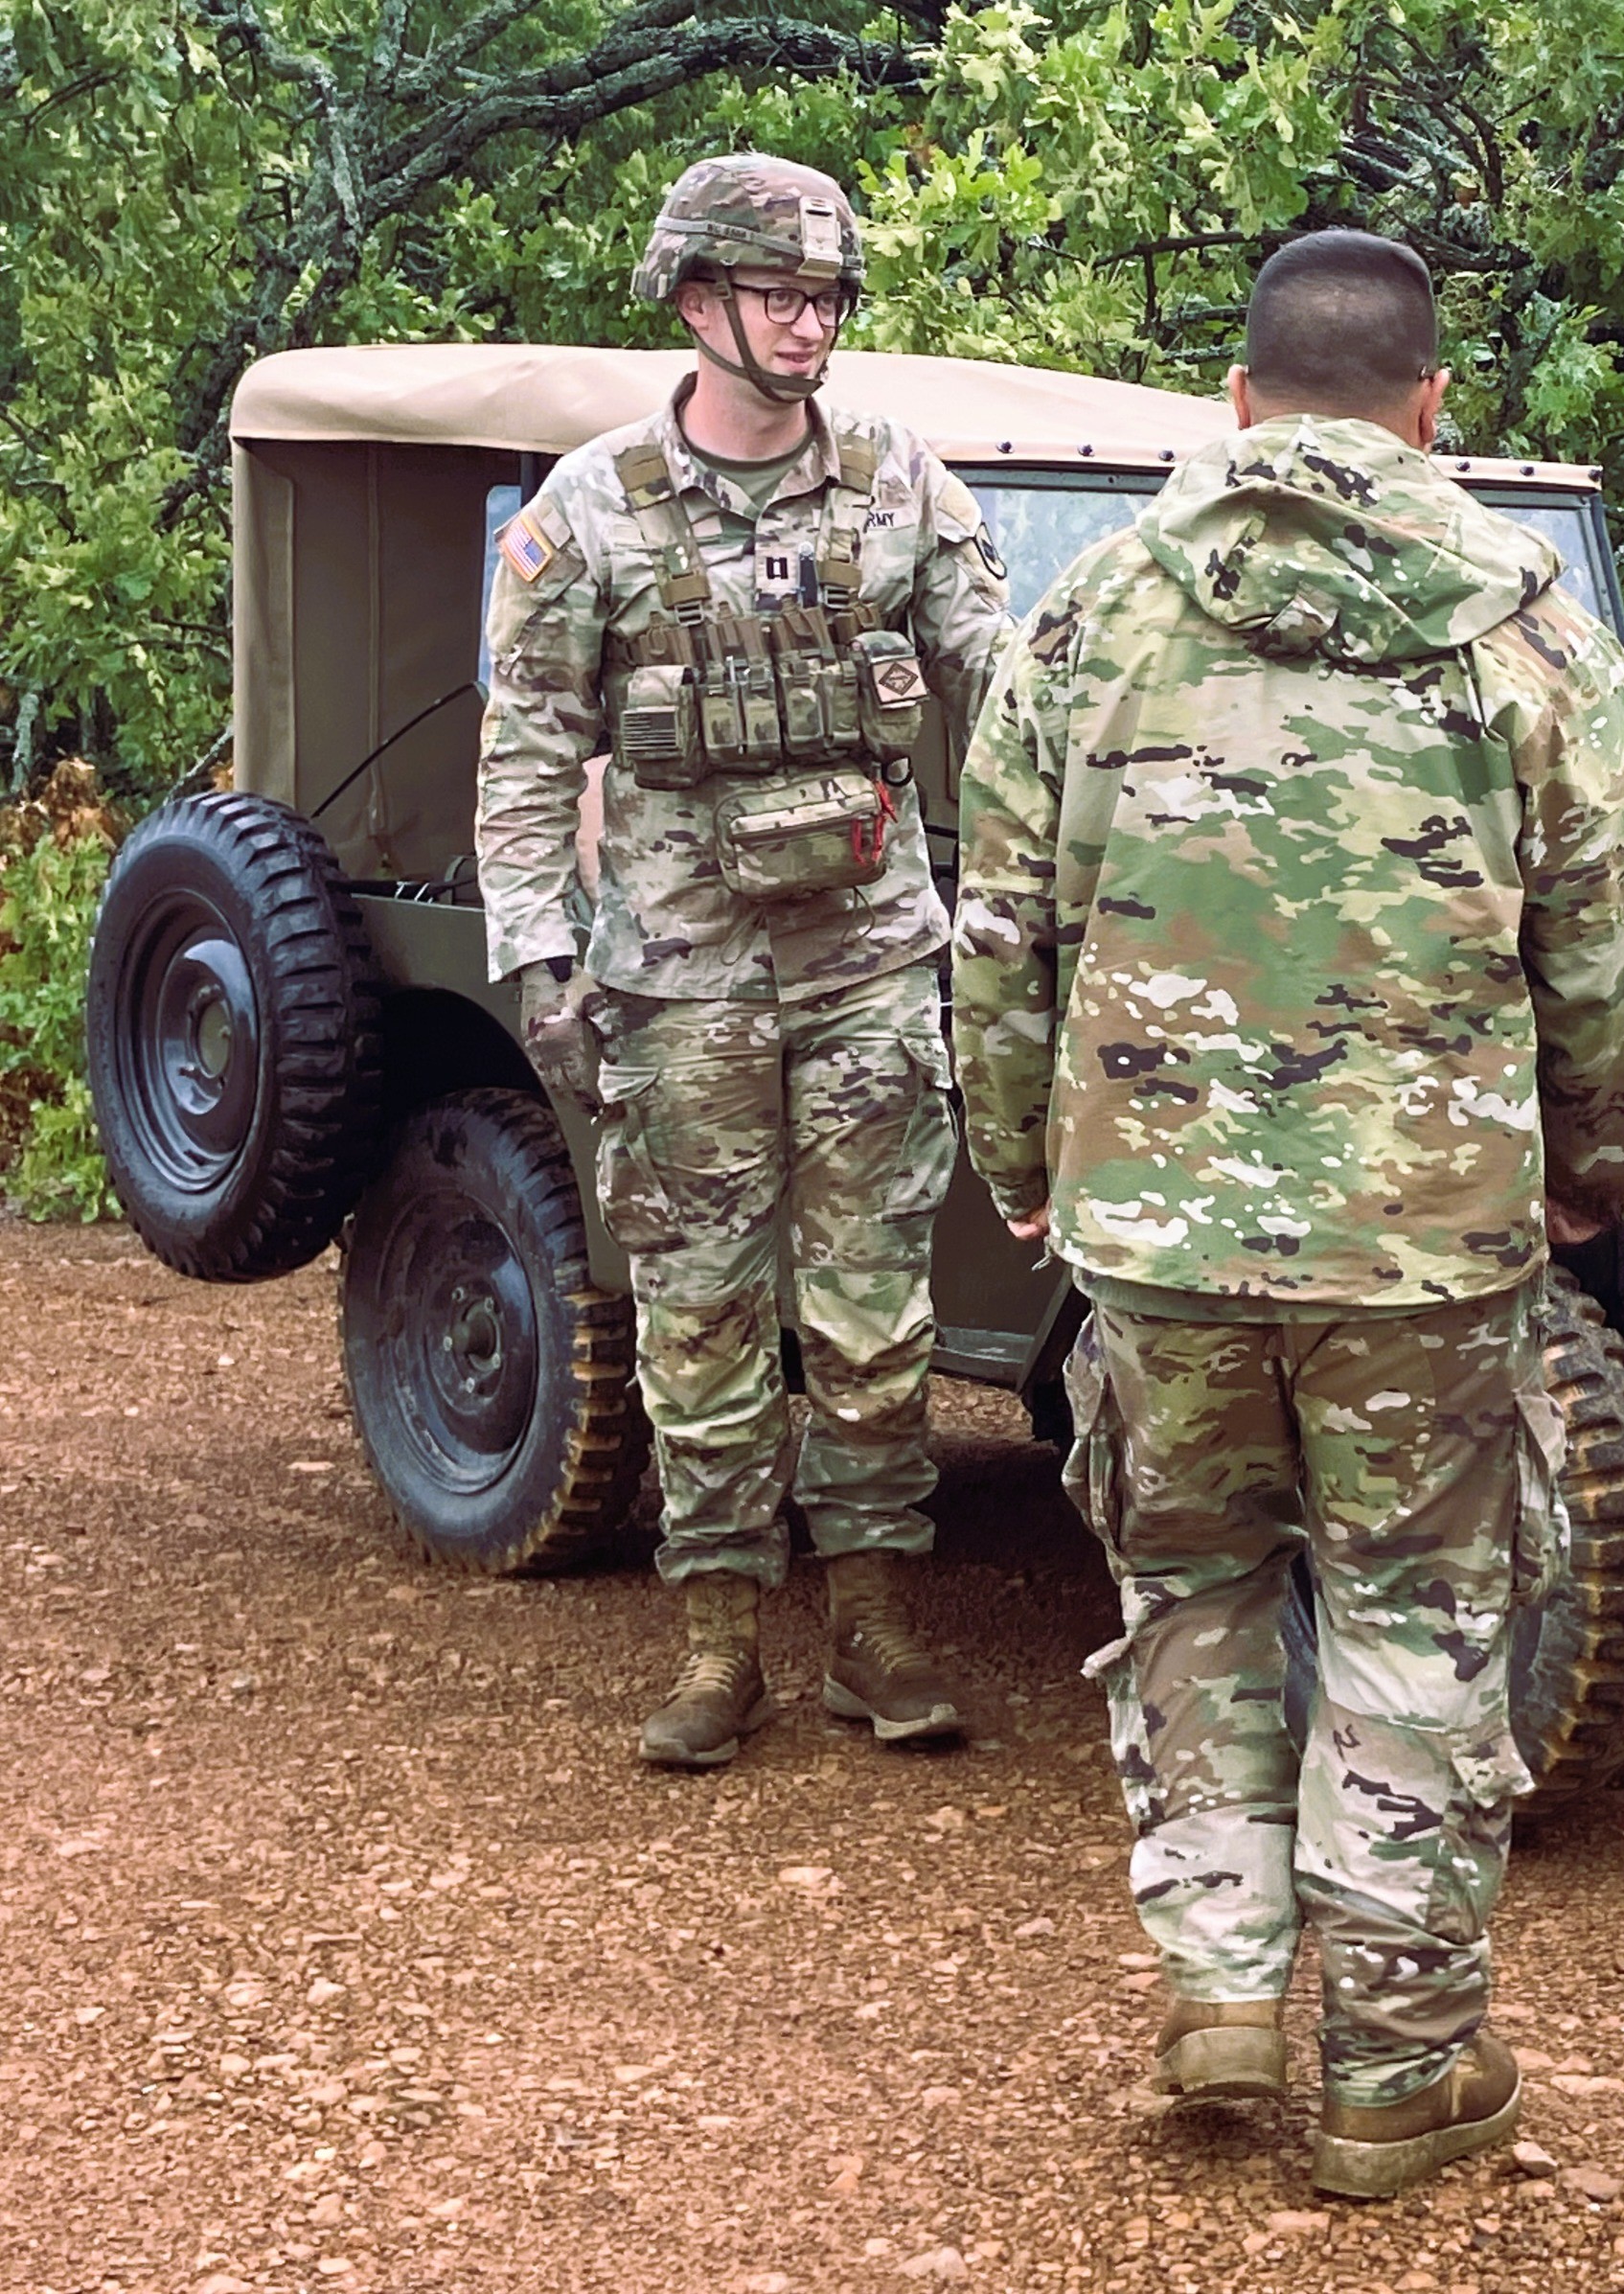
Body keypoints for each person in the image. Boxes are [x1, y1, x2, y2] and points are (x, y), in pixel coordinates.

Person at [950, 228, 1624, 2197]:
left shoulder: (1091, 612)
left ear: (1238, 400)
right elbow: (1602, 957)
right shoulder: (1529, 629)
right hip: (1421, 1238)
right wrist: (1589, 1166)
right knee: (1417, 1607)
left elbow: (998, 934)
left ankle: (1218, 1985)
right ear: (1431, 406)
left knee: (1190, 1585)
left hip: (1157, 1226)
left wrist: (1024, 1164)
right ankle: (1396, 2065)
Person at [475, 154, 1008, 1770]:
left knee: (874, 1311)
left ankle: (872, 1625)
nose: (809, 324)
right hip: (680, 976)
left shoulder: (904, 485)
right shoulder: (592, 507)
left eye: (828, 297)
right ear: (698, 301)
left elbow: (1008, 696)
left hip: (868, 966)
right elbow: (527, 748)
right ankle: (719, 1641)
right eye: (778, 294)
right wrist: (541, 956)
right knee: (701, 1314)